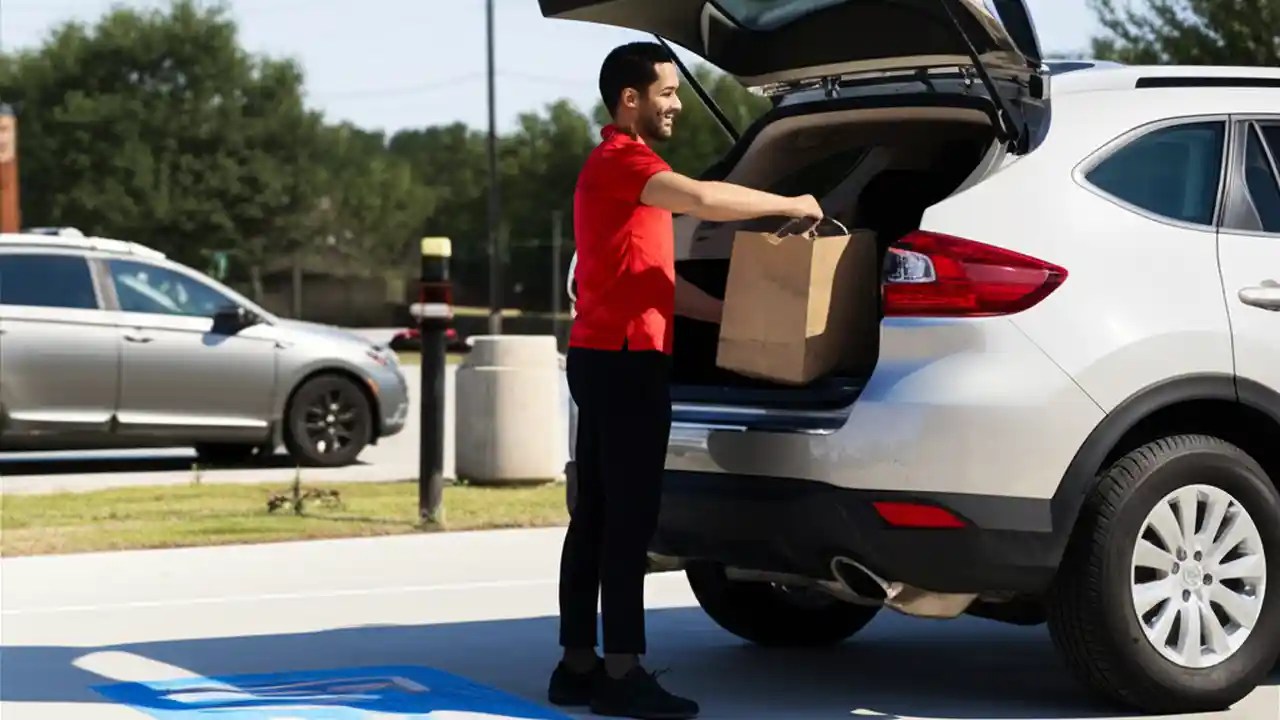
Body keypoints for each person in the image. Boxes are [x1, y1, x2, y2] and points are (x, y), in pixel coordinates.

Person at [549, 41, 824, 720]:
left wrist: (735, 312)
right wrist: (791, 201)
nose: (676, 104)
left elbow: (654, 282)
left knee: (598, 517)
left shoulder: (621, 175)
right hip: (625, 363)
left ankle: (577, 666)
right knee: (626, 521)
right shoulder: (627, 162)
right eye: (667, 93)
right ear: (631, 101)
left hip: (603, 356)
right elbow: (704, 197)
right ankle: (622, 674)